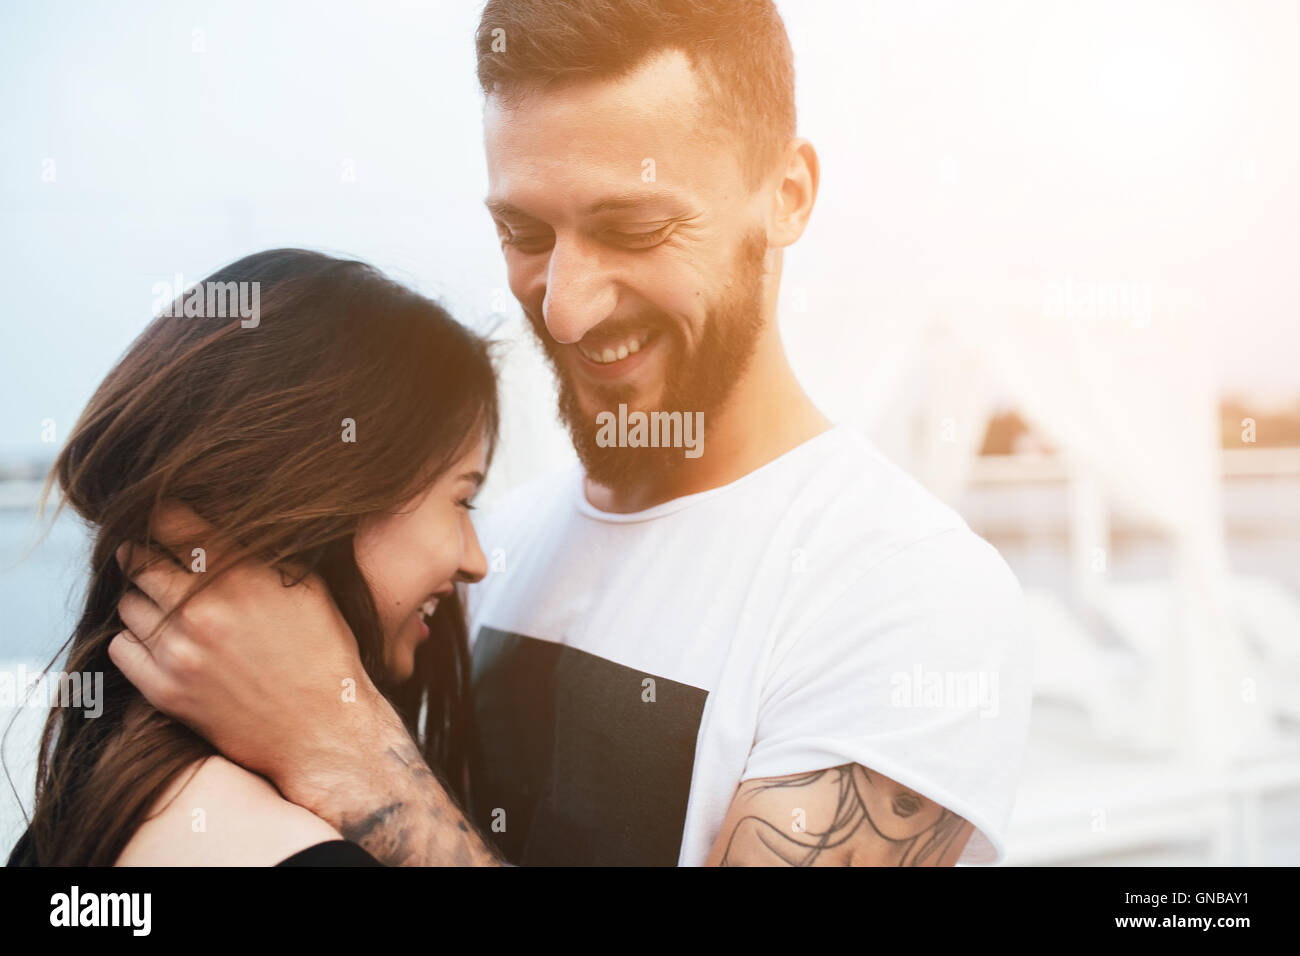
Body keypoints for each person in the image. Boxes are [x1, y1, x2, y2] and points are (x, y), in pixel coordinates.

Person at [108, 0, 1033, 867]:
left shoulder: (904, 595)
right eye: (524, 231)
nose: (565, 309)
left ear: (785, 194)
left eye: (632, 227)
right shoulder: (491, 545)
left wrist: (337, 746)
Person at [5, 248, 498, 866]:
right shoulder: (286, 849)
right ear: (325, 496)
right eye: (463, 500)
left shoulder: (97, 800)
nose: (476, 560)